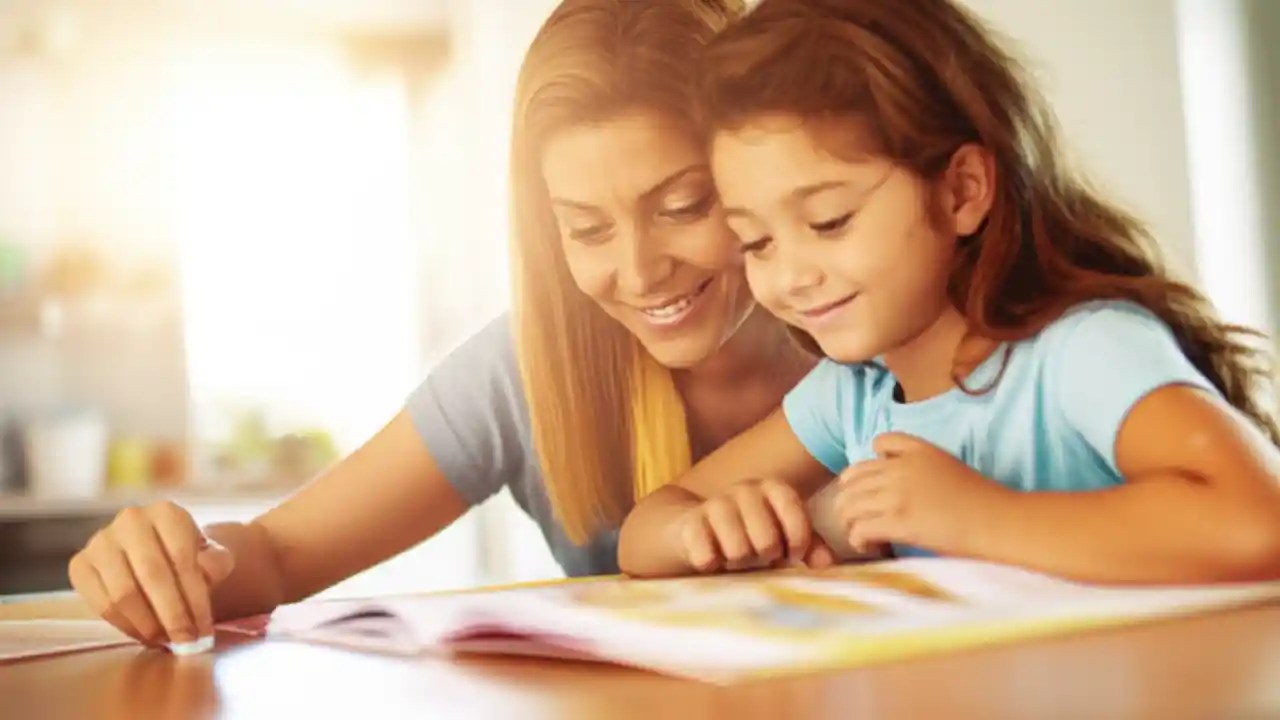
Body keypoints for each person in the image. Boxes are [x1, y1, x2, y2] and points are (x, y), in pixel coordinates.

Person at [67, 0, 824, 648]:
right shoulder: (526, 371)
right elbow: (281, 554)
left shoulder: (871, 337)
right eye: (588, 230)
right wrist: (174, 562)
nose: (639, 271)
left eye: (683, 206)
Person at [620, 0, 1280, 585]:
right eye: (758, 243)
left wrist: (982, 517)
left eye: (829, 222)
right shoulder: (854, 395)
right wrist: (705, 531)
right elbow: (643, 532)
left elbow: (1261, 520)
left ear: (961, 190)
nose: (791, 275)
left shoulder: (1083, 350)